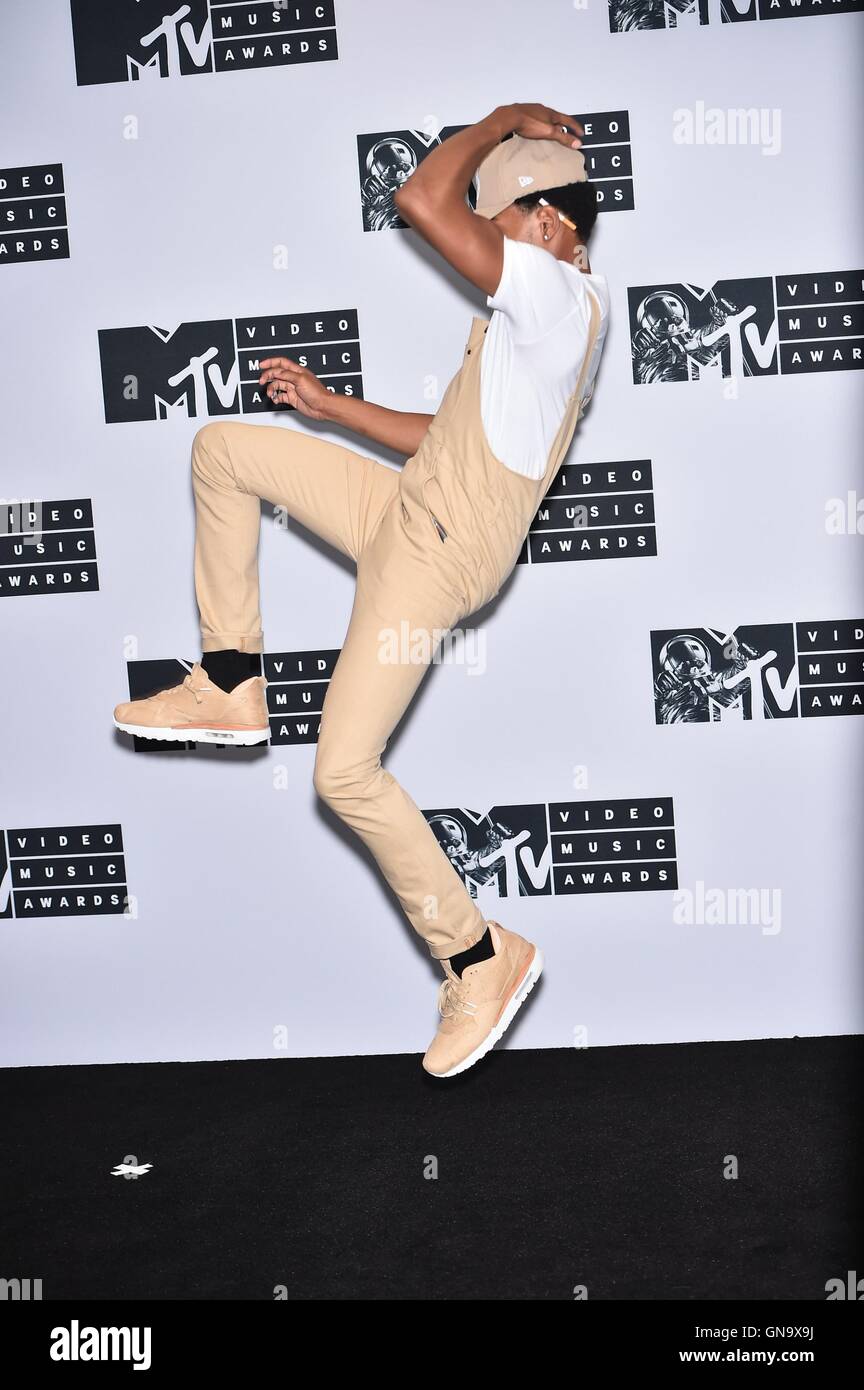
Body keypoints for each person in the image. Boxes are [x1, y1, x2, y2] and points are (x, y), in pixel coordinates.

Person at [113, 102, 610, 1078]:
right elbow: (445, 438)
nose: (490, 238)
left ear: (551, 221)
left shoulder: (557, 295)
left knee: (343, 771)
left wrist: (504, 119)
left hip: (435, 553)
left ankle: (478, 955)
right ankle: (229, 680)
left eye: (503, 218)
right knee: (222, 451)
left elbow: (421, 197)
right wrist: (328, 405)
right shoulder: (539, 320)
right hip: (406, 508)